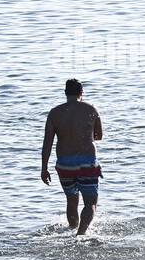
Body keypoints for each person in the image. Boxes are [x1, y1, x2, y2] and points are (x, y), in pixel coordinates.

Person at [40, 78, 103, 235]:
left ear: (65, 93)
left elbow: (47, 143)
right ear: (81, 92)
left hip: (64, 164)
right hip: (87, 163)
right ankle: (80, 235)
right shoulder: (91, 109)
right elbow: (99, 136)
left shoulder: (54, 113)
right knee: (90, 204)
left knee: (71, 200)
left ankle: (72, 229)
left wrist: (44, 168)